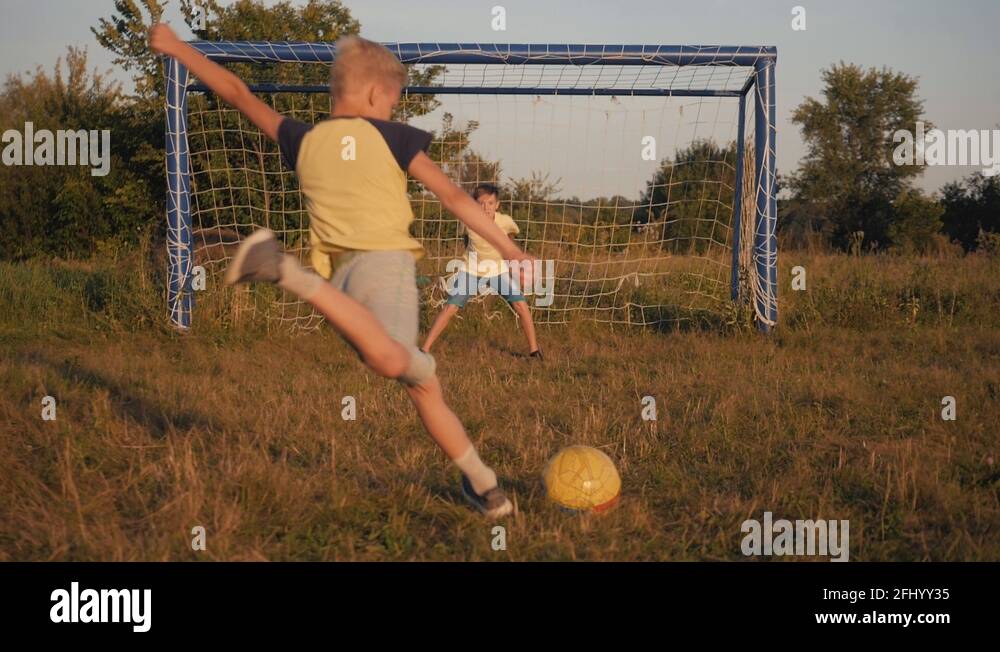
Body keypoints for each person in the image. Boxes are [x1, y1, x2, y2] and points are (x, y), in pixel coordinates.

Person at [149, 26, 536, 518]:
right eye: (394, 100)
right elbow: (456, 197)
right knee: (395, 362)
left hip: (341, 283)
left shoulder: (302, 137)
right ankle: (285, 272)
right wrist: (513, 249)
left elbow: (237, 93)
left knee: (421, 379)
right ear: (378, 93)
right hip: (384, 270)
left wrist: (181, 50)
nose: (394, 110)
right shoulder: (393, 137)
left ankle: (482, 483)